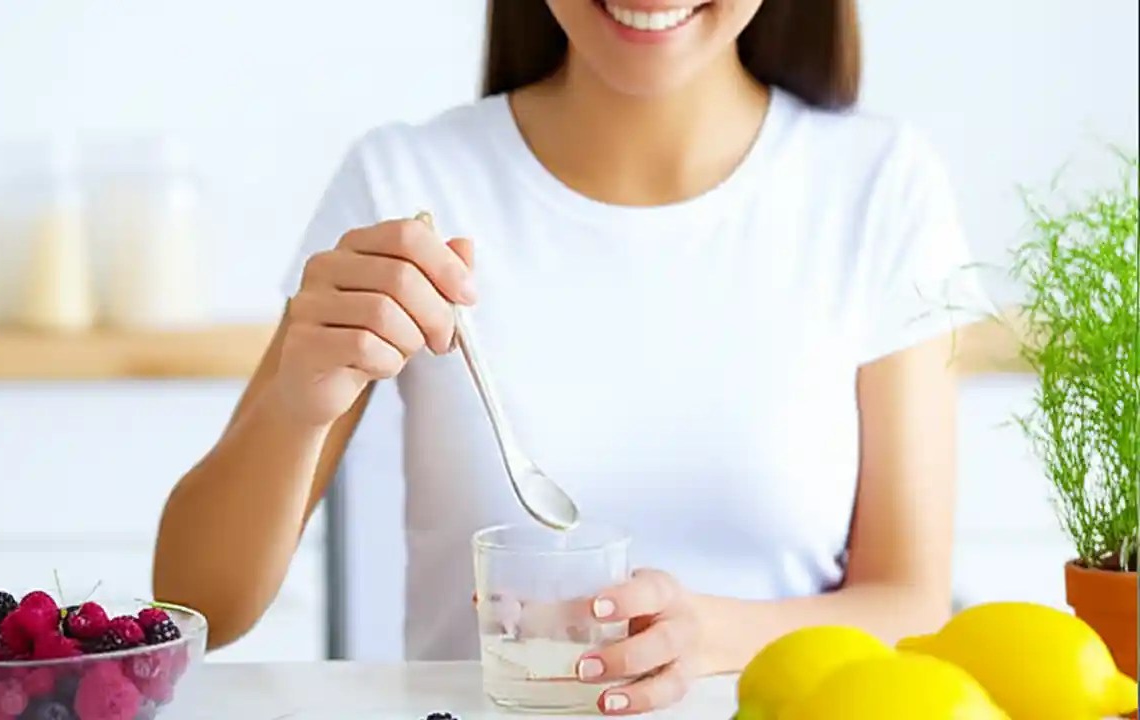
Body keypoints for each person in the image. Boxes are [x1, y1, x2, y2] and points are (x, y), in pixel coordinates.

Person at [154, 0, 989, 714]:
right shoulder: (404, 180)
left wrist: (706, 638)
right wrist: (298, 405)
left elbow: (910, 604)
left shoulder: (881, 184)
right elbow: (196, 606)